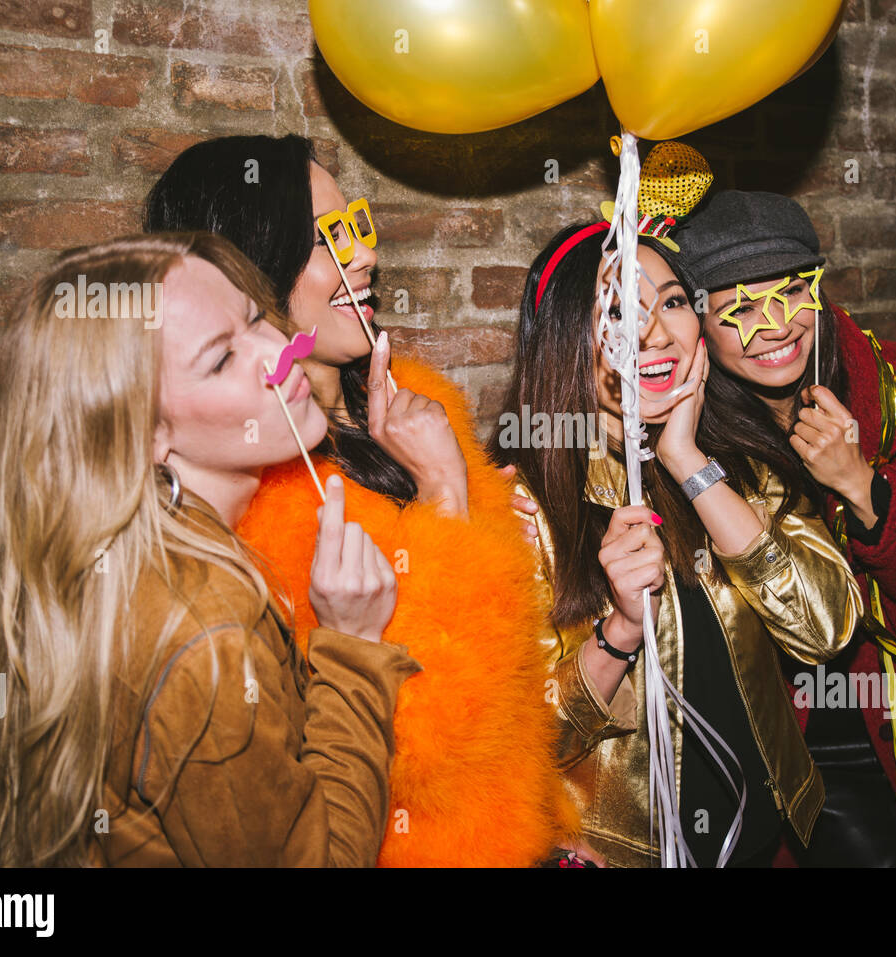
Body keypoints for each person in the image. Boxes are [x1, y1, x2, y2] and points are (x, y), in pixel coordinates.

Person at [144, 135, 580, 867]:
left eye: (359, 226)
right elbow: (419, 738)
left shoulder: (412, 401)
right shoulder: (263, 494)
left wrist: (551, 821)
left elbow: (519, 679)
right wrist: (447, 496)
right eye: (329, 238)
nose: (364, 255)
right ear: (248, 266)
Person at [0, 232, 420, 867]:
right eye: (219, 360)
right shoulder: (206, 632)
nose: (280, 351)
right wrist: (354, 647)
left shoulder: (154, 556)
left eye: (254, 320)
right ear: (146, 432)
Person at [488, 221, 864, 867]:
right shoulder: (519, 508)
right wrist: (619, 633)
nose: (654, 332)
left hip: (764, 837)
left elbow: (826, 628)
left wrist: (690, 462)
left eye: (670, 300)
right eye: (616, 311)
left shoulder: (742, 464)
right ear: (564, 341)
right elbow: (520, 747)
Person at [678, 190, 896, 867]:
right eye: (739, 306)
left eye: (791, 294)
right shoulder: (690, 432)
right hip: (777, 756)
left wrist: (865, 489)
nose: (772, 325)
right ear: (699, 324)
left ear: (820, 291)